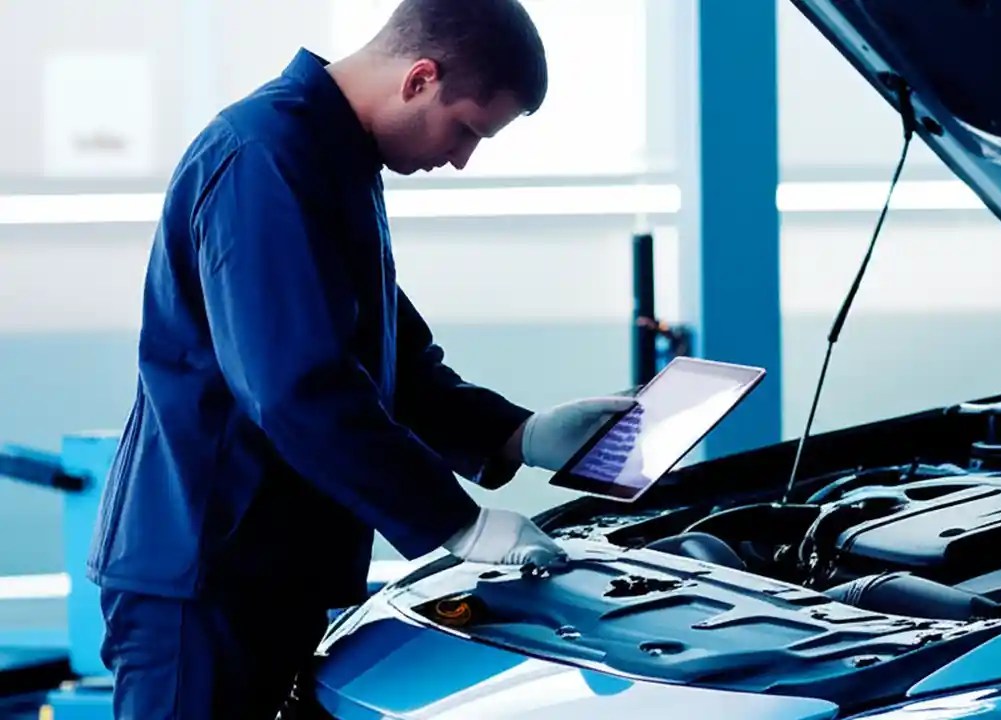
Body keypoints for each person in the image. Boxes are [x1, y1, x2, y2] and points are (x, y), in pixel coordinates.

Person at [85, 0, 632, 716]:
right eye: (466, 129)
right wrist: (455, 525)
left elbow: (392, 362)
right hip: (206, 578)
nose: (462, 158)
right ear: (420, 79)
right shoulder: (266, 158)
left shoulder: (331, 158)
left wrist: (519, 434)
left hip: (262, 573)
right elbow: (297, 390)